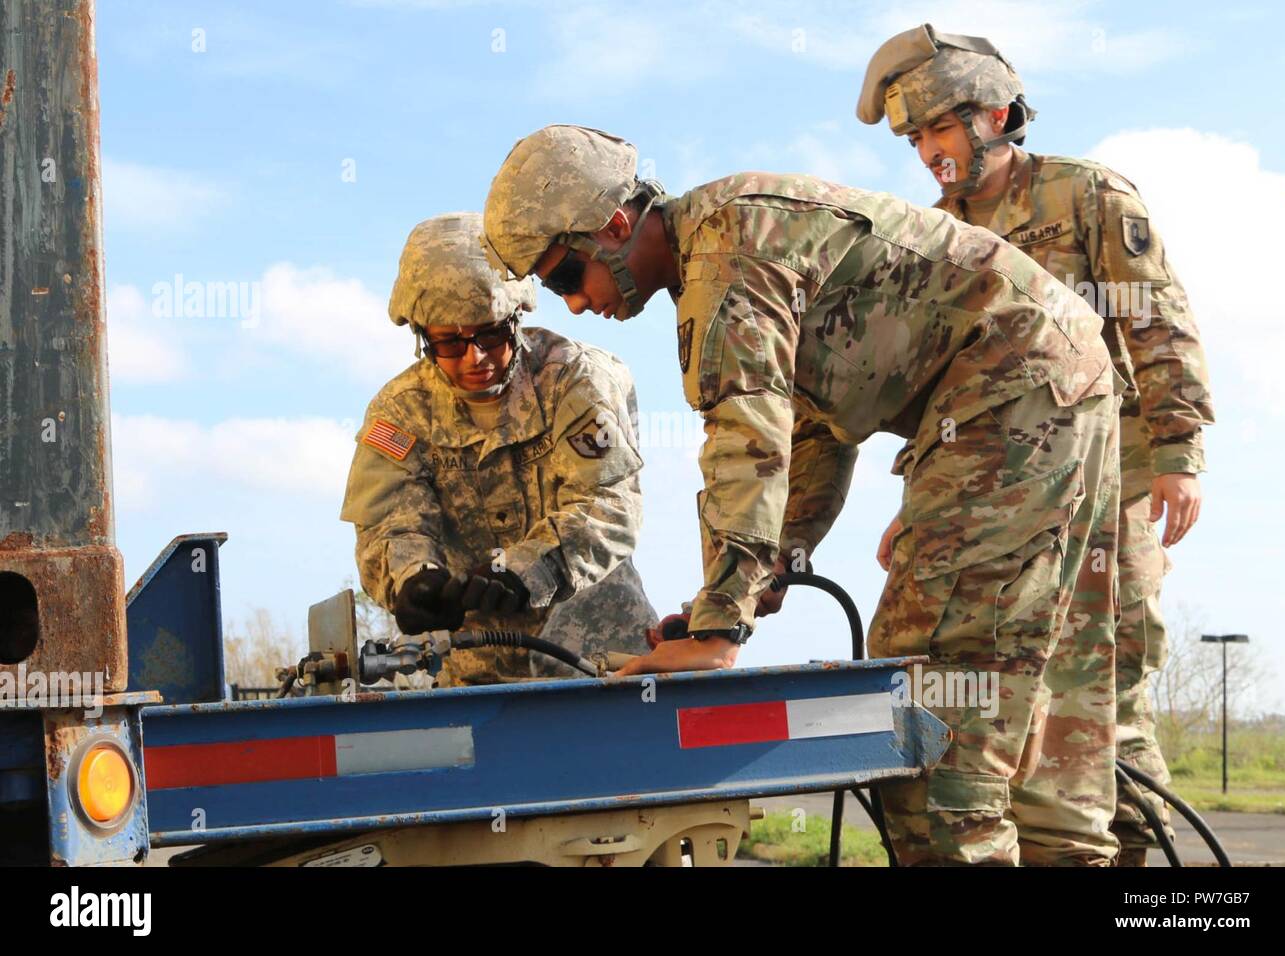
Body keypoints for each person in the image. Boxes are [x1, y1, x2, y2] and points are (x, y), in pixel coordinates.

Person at [482, 125, 1123, 865]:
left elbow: (748, 448)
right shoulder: (728, 236)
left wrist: (719, 631)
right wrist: (746, 589)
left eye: (565, 275)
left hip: (1013, 390)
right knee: (1008, 674)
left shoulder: (724, 261)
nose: (571, 304)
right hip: (1048, 380)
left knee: (930, 689)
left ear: (616, 225)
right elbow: (815, 435)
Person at [859, 24, 1215, 865]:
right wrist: (919, 514)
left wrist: (1178, 454)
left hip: (1110, 490)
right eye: (915, 139)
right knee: (1008, 713)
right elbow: (935, 391)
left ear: (998, 114)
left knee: (1107, 713)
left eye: (940, 129)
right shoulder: (929, 238)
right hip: (991, 512)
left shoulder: (1085, 197)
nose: (928, 153)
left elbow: (1157, 323)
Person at [340, 212, 656, 685]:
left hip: (600, 660)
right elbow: (390, 521)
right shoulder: (400, 412)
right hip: (474, 677)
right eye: (450, 342)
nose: (476, 358)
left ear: (516, 317)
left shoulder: (576, 379)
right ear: (423, 337)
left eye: (490, 333)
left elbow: (608, 505)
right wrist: (413, 579)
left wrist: (527, 571)